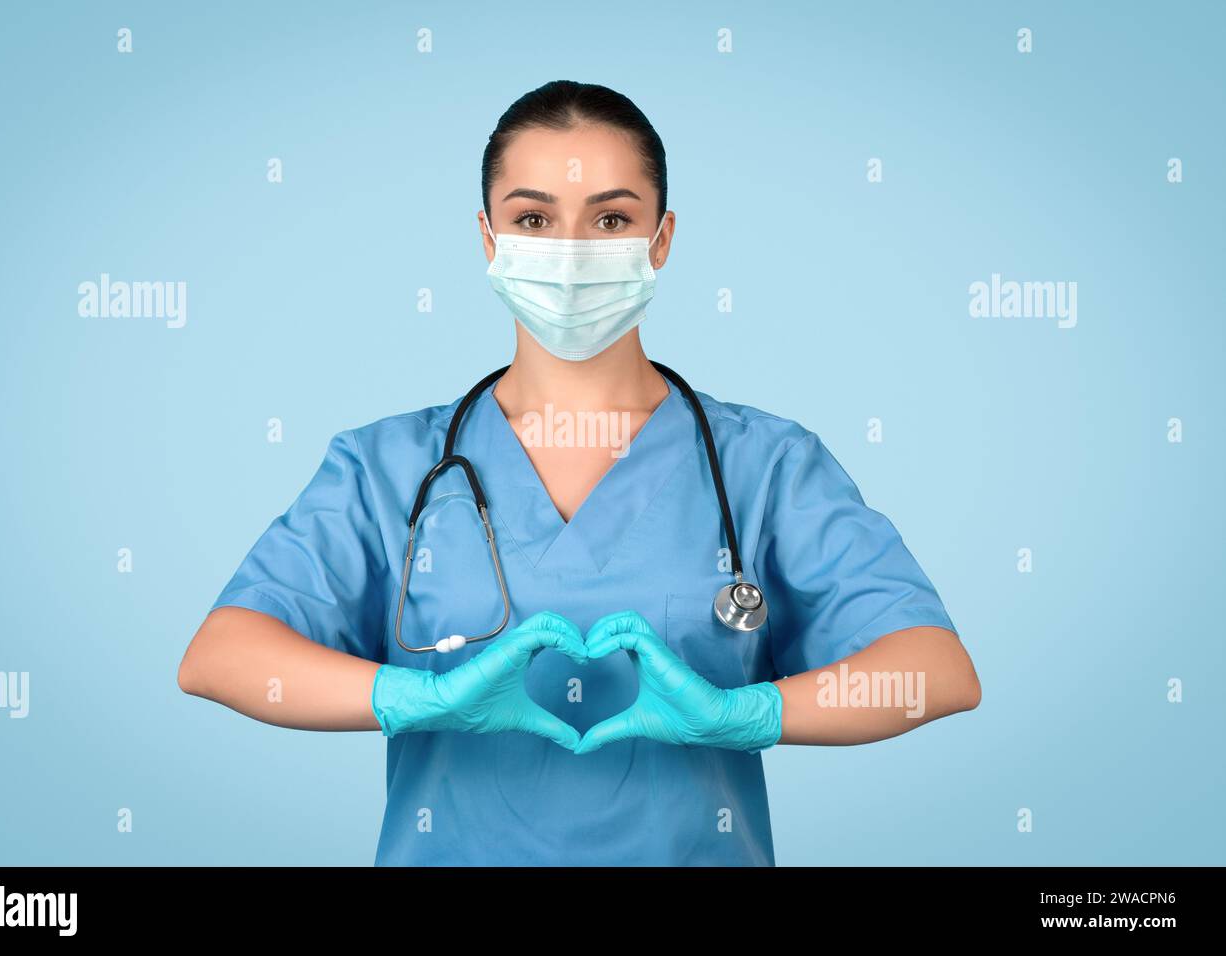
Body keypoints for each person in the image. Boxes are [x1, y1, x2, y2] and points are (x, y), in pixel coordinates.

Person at [177, 80, 981, 866]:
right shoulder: (387, 467)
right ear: (489, 240)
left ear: (661, 239)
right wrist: (412, 700)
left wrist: (748, 714)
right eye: (533, 218)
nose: (569, 254)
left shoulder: (765, 465)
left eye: (611, 218)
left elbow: (935, 671)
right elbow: (221, 655)